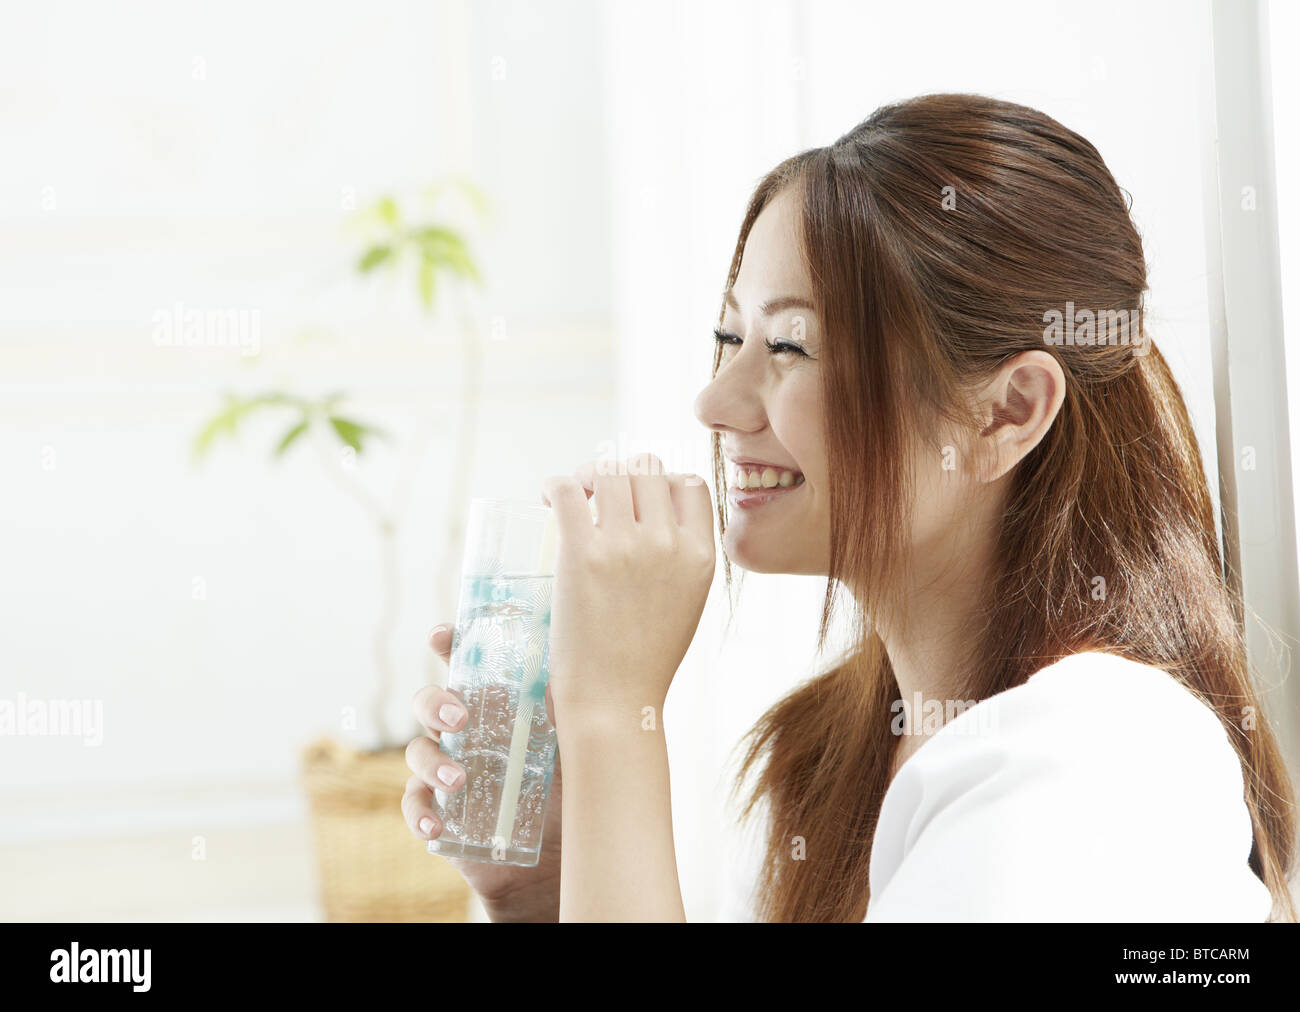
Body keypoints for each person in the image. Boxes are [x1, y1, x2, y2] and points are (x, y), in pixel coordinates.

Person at [403, 93, 1297, 922]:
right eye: (730, 336)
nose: (717, 403)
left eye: (790, 344)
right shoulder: (834, 751)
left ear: (1007, 412)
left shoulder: (1096, 763)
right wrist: (551, 883)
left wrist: (609, 714)